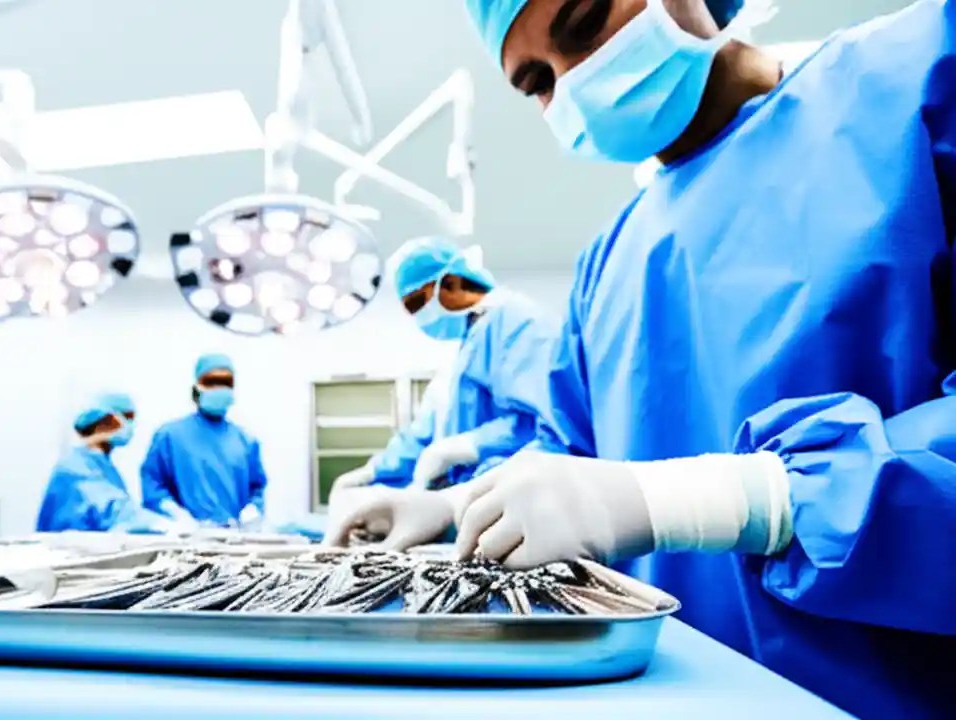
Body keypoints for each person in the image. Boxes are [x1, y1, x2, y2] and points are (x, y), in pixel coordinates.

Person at [329, 0, 956, 717]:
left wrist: (735, 502)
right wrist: (450, 508)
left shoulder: (919, 80)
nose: (574, 80)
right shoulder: (609, 266)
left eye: (585, 23)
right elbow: (571, 456)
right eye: (537, 82)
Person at [330, 238, 558, 495]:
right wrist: (373, 472)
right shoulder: (468, 347)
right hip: (474, 498)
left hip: (517, 497)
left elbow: (548, 421)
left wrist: (466, 447)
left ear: (450, 283)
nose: (417, 316)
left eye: (417, 303)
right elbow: (422, 436)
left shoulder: (517, 323)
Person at [141, 353, 268, 527]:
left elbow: (257, 489)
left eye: (225, 383)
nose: (219, 388)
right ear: (197, 387)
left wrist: (252, 511)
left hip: (235, 534)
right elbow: (153, 485)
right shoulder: (170, 436)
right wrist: (175, 514)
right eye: (212, 381)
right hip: (185, 536)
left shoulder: (246, 441)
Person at [36, 392, 166, 533]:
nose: (131, 426)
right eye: (127, 417)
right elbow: (114, 511)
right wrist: (162, 525)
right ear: (105, 421)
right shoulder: (75, 466)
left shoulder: (103, 466)